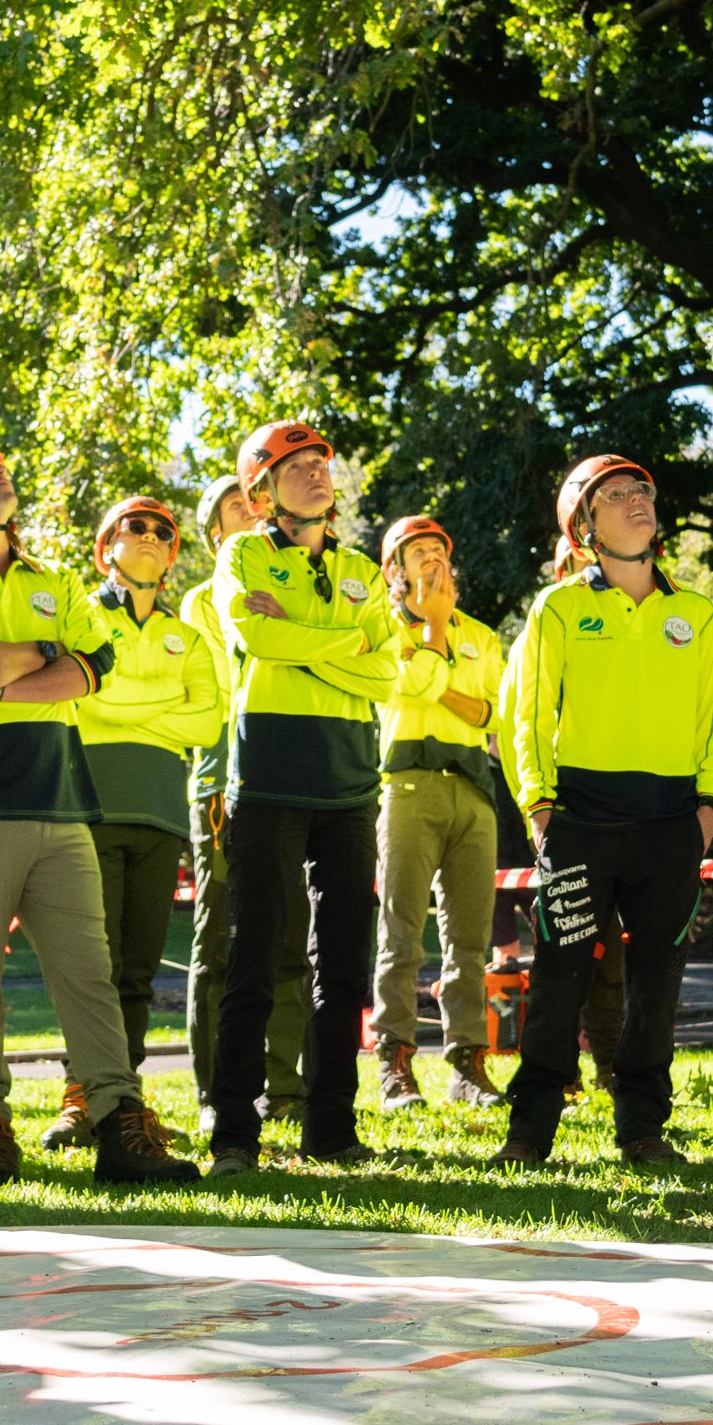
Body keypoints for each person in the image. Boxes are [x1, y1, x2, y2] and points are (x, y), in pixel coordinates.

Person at [0, 441, 200, 1184]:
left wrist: (1, 678)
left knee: (89, 975)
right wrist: (43, 654)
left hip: (62, 806)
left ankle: (118, 1124)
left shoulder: (53, 578)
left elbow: (97, 663)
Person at [491, 458, 713, 1167]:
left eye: (641, 490)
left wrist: (707, 809)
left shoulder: (698, 613)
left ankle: (643, 1128)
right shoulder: (558, 607)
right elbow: (527, 717)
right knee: (559, 978)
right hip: (579, 818)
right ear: (585, 526)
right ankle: (529, 1132)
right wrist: (539, 807)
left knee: (656, 983)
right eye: (615, 495)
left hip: (672, 821)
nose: (636, 501)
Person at [203, 418, 398, 1173]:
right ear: (262, 491)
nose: (318, 472)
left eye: (321, 461)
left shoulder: (362, 568)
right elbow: (258, 639)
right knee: (253, 959)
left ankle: (332, 1129)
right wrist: (351, 640)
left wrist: (312, 643)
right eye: (297, 465)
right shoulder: (243, 552)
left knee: (342, 967)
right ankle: (234, 1135)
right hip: (269, 779)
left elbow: (390, 673)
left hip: (350, 784)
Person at [55, 494, 224, 1147]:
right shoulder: (79, 616)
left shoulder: (189, 636)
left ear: (173, 556)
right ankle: (80, 1097)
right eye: (136, 526)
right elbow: (81, 702)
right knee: (91, 965)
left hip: (161, 814)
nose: (151, 535)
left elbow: (207, 720)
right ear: (107, 547)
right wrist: (162, 704)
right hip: (90, 808)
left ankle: (122, 1098)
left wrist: (122, 698)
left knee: (137, 972)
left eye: (163, 531)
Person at [175, 474, 312, 1121]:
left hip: (289, 775)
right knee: (221, 938)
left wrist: (295, 632)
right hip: (221, 782)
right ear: (214, 536)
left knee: (288, 933)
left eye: (257, 503)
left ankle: (285, 1087)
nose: (254, 514)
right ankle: (214, 1091)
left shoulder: (301, 581)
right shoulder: (200, 602)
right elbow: (226, 683)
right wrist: (282, 636)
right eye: (238, 507)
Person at [371, 514, 507, 1112]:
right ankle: (394, 1061)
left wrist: (435, 682)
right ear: (393, 570)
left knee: (470, 939)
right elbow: (402, 688)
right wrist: (431, 635)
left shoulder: (481, 634)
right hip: (408, 787)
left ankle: (467, 1064)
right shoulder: (379, 627)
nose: (432, 557)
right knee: (401, 934)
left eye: (438, 548)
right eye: (417, 550)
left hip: (473, 790)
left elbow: (495, 715)